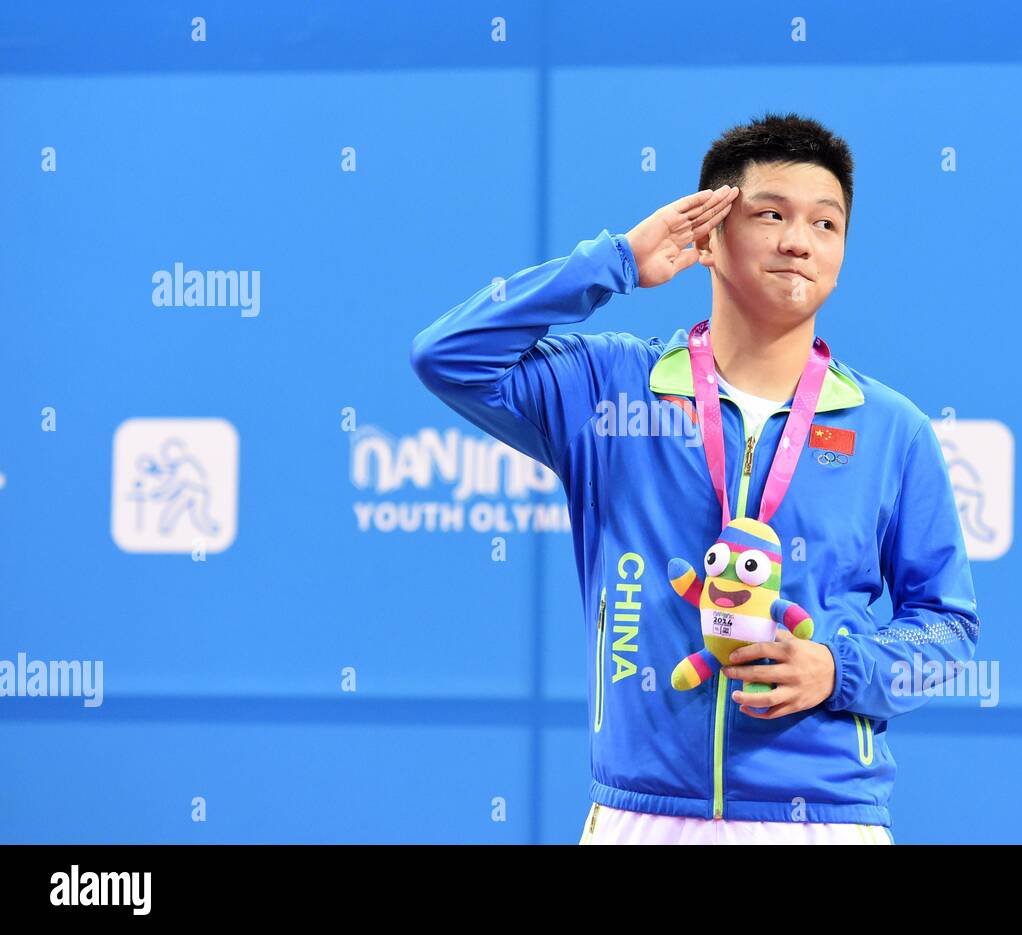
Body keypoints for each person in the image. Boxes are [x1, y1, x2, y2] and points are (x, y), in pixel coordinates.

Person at [411, 112, 980, 845]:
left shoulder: (891, 429)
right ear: (707, 235)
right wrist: (613, 263)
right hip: (641, 817)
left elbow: (950, 631)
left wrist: (837, 667)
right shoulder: (612, 387)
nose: (799, 242)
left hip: (823, 819)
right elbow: (447, 356)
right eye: (771, 215)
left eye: (826, 224)